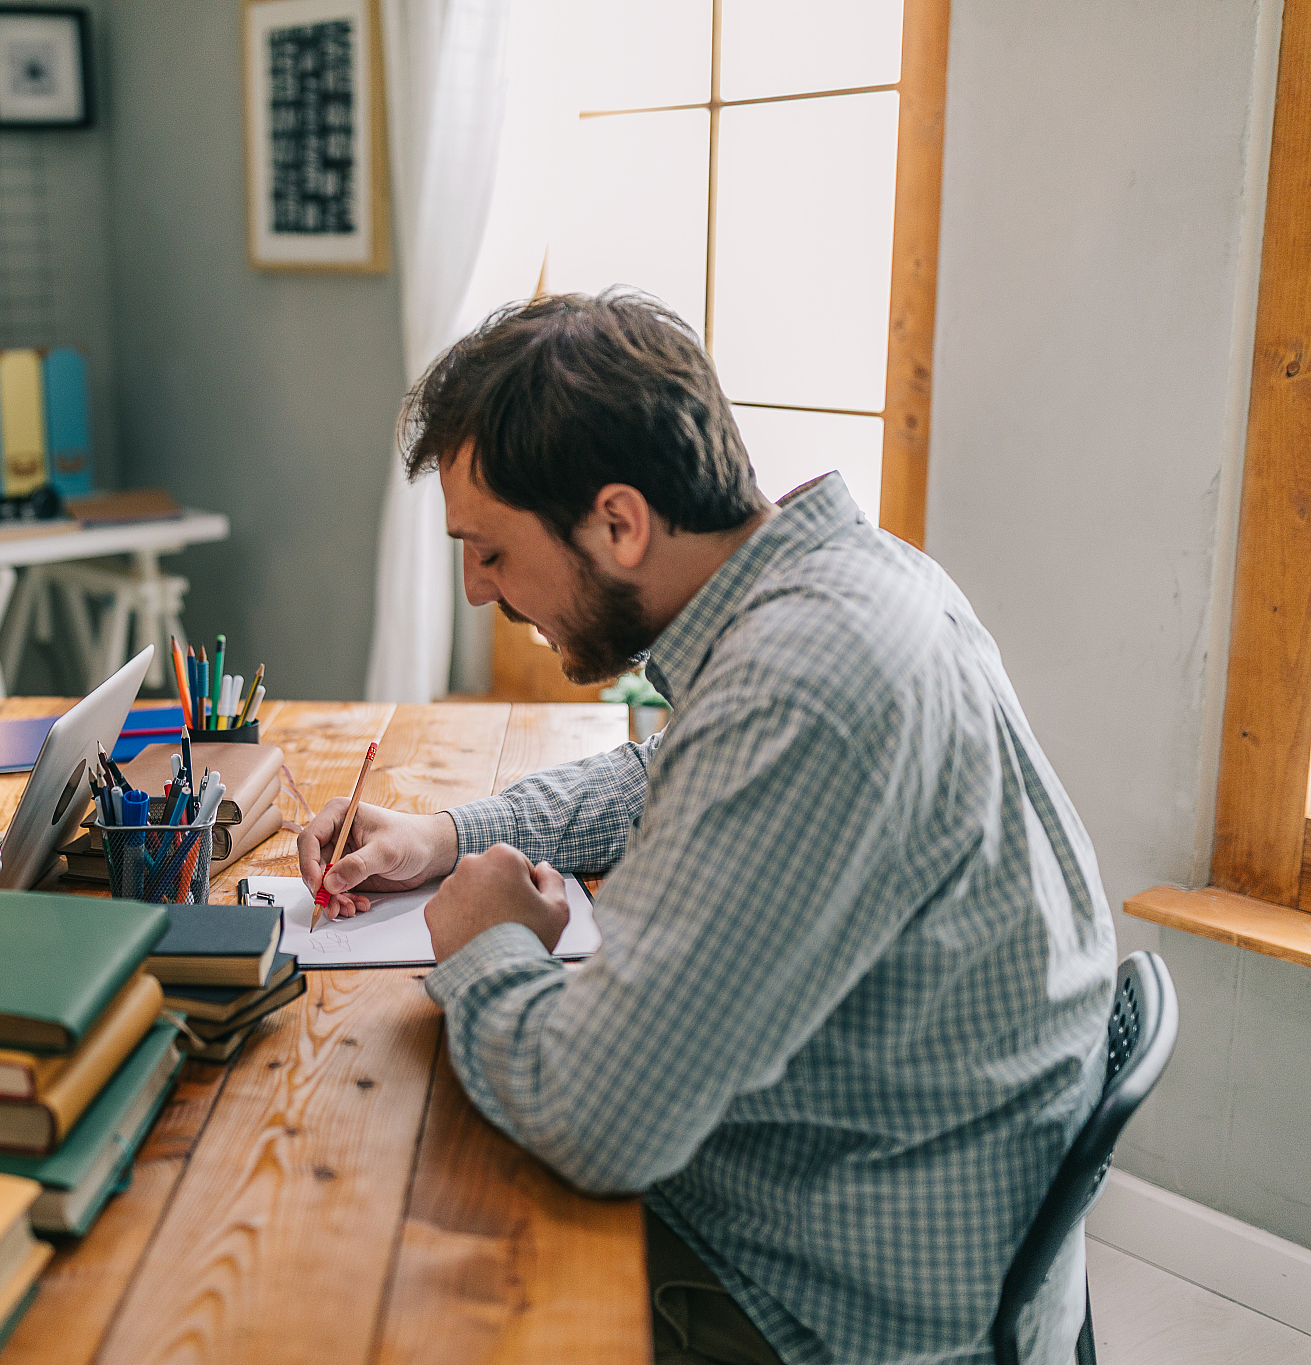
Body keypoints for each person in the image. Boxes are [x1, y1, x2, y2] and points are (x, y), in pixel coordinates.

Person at [298, 292, 1115, 1365]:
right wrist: (449, 836)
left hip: (829, 1298)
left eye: (489, 550)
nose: (474, 588)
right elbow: (665, 775)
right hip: (892, 1179)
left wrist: (488, 944)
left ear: (619, 523)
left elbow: (597, 1120)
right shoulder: (852, 584)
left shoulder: (801, 688)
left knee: (359, 1257)